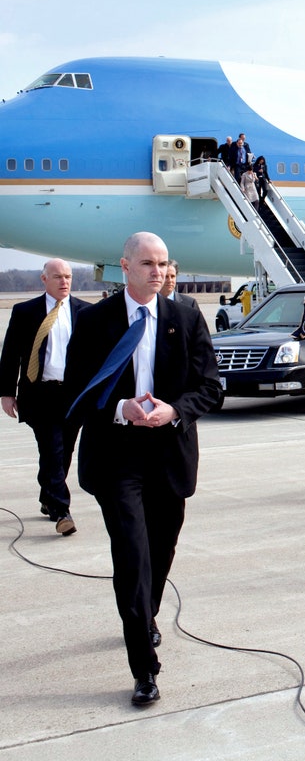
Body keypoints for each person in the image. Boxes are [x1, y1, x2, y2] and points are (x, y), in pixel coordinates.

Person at [64, 232, 222, 707]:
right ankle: (144, 669)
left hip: (169, 451)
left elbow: (210, 387)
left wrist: (173, 410)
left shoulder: (186, 316)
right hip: (116, 455)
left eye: (163, 263)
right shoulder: (94, 320)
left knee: (160, 548)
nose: (157, 271)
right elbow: (77, 391)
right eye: (148, 263)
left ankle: (145, 615)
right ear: (124, 267)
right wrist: (121, 408)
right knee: (131, 556)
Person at [0, 259, 91, 535]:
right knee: (51, 448)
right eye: (58, 277)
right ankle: (62, 511)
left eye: (68, 277)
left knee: (64, 451)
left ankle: (47, 497)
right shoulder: (25, 311)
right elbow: (11, 354)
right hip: (40, 393)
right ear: (44, 280)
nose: (64, 282)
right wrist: (6, 392)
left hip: (72, 394)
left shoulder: (85, 312)